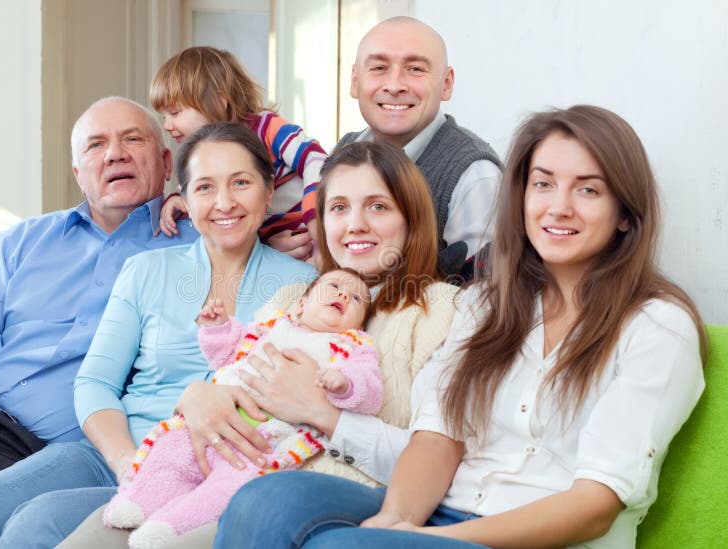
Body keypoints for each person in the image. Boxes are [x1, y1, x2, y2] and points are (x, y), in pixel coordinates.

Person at [215, 105, 707, 549]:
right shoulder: (485, 305)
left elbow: (597, 504)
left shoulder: (659, 327)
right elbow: (437, 437)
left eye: (588, 189)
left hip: (527, 536)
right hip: (441, 515)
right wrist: (396, 520)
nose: (559, 206)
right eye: (543, 184)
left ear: (625, 213)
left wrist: (430, 538)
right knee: (265, 502)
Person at [50, 140, 459, 549]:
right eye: (338, 208)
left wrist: (321, 413)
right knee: (90, 539)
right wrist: (197, 395)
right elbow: (235, 365)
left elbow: (436, 460)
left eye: (378, 207)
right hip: (223, 464)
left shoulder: (443, 311)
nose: (355, 225)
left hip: (302, 492)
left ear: (412, 217)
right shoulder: (293, 298)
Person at [0, 122, 317, 548]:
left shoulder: (302, 287)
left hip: (209, 471)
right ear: (184, 199)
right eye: (205, 187)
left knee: (37, 523)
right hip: (111, 455)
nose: (223, 202)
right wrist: (128, 463)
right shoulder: (148, 270)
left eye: (240, 183)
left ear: (267, 191)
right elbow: (95, 382)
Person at [0, 96, 197, 503]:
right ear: (78, 173)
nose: (114, 154)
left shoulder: (203, 248)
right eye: (95, 145)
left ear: (165, 162)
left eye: (132, 139)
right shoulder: (20, 244)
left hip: (100, 457)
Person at [102, 268, 380, 548]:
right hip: (217, 415)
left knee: (230, 488)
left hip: (264, 444)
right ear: (301, 304)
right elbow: (226, 355)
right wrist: (217, 328)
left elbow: (370, 390)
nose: (343, 294)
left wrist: (345, 384)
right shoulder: (270, 328)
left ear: (359, 325)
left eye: (356, 298)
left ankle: (171, 527)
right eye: (333, 286)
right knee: (172, 452)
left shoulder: (353, 346)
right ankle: (140, 501)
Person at [336, 16, 501, 277]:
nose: (394, 85)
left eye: (415, 69)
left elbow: (483, 297)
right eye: (379, 67)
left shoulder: (475, 175)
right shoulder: (341, 154)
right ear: (355, 81)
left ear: (446, 84)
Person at [152, 46, 327, 260]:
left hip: (315, 235)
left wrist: (314, 215)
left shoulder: (267, 127)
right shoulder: (198, 156)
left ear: (219, 100)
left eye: (174, 113)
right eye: (164, 117)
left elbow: (316, 159)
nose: (167, 126)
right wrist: (178, 199)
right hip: (273, 253)